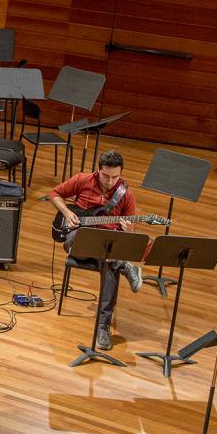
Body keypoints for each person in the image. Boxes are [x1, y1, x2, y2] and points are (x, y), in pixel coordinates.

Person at [49, 150, 143, 350]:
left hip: (108, 244)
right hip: (77, 238)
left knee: (108, 262)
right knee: (108, 256)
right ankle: (124, 265)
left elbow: (131, 231)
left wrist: (129, 228)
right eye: (106, 176)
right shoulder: (83, 180)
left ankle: (103, 325)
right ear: (98, 170)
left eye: (115, 177)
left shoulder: (126, 195)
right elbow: (54, 194)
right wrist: (66, 212)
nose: (110, 181)